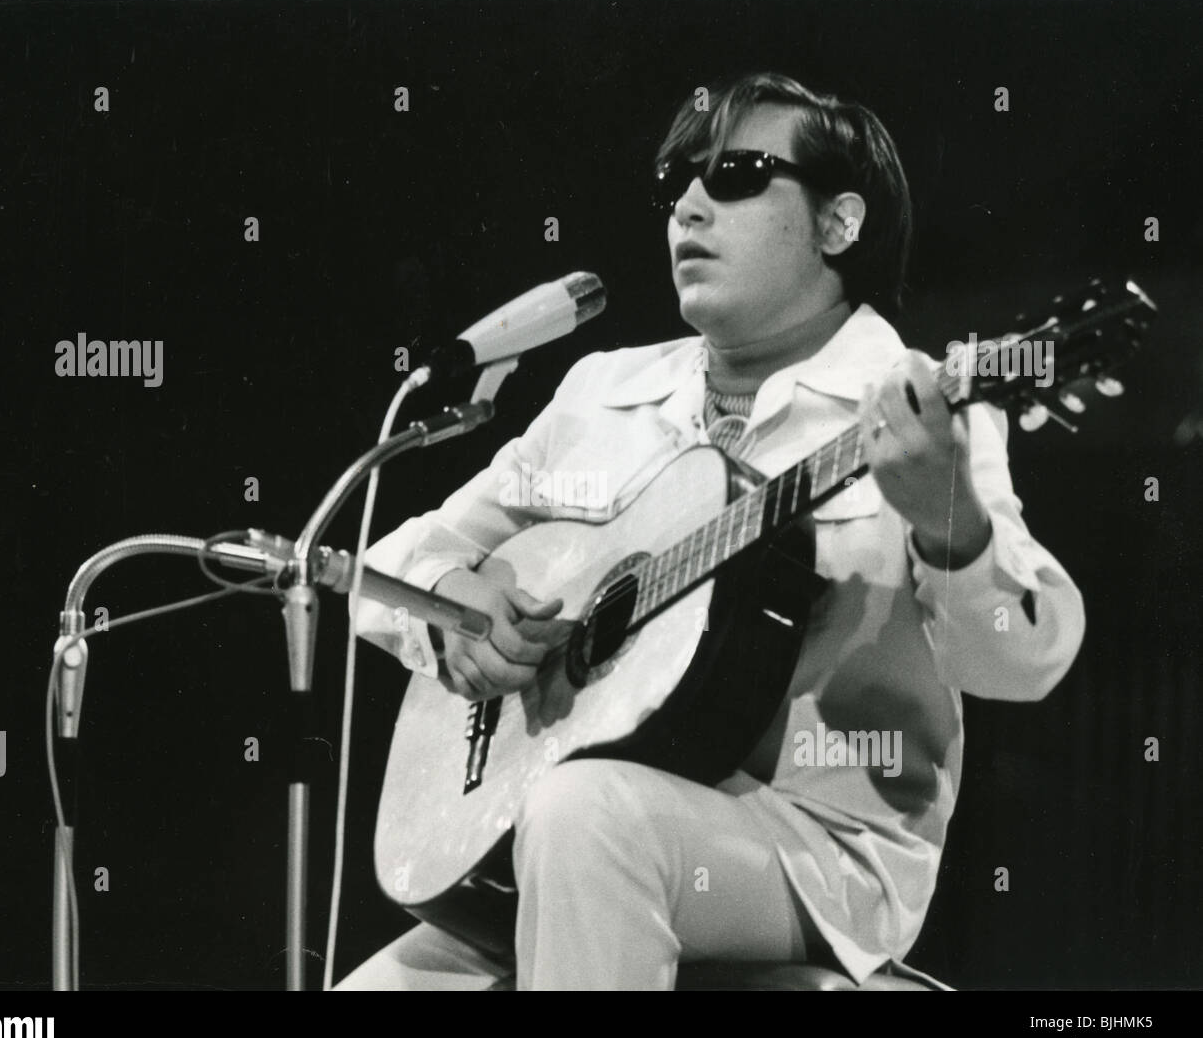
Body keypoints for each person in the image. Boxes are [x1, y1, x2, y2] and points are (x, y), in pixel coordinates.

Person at [336, 70, 1085, 990]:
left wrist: (946, 517)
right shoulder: (603, 390)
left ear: (839, 223)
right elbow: (394, 560)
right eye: (676, 184)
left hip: (808, 849)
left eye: (736, 173)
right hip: (553, 836)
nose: (688, 204)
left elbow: (1024, 658)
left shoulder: (917, 408)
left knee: (586, 814)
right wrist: (453, 603)